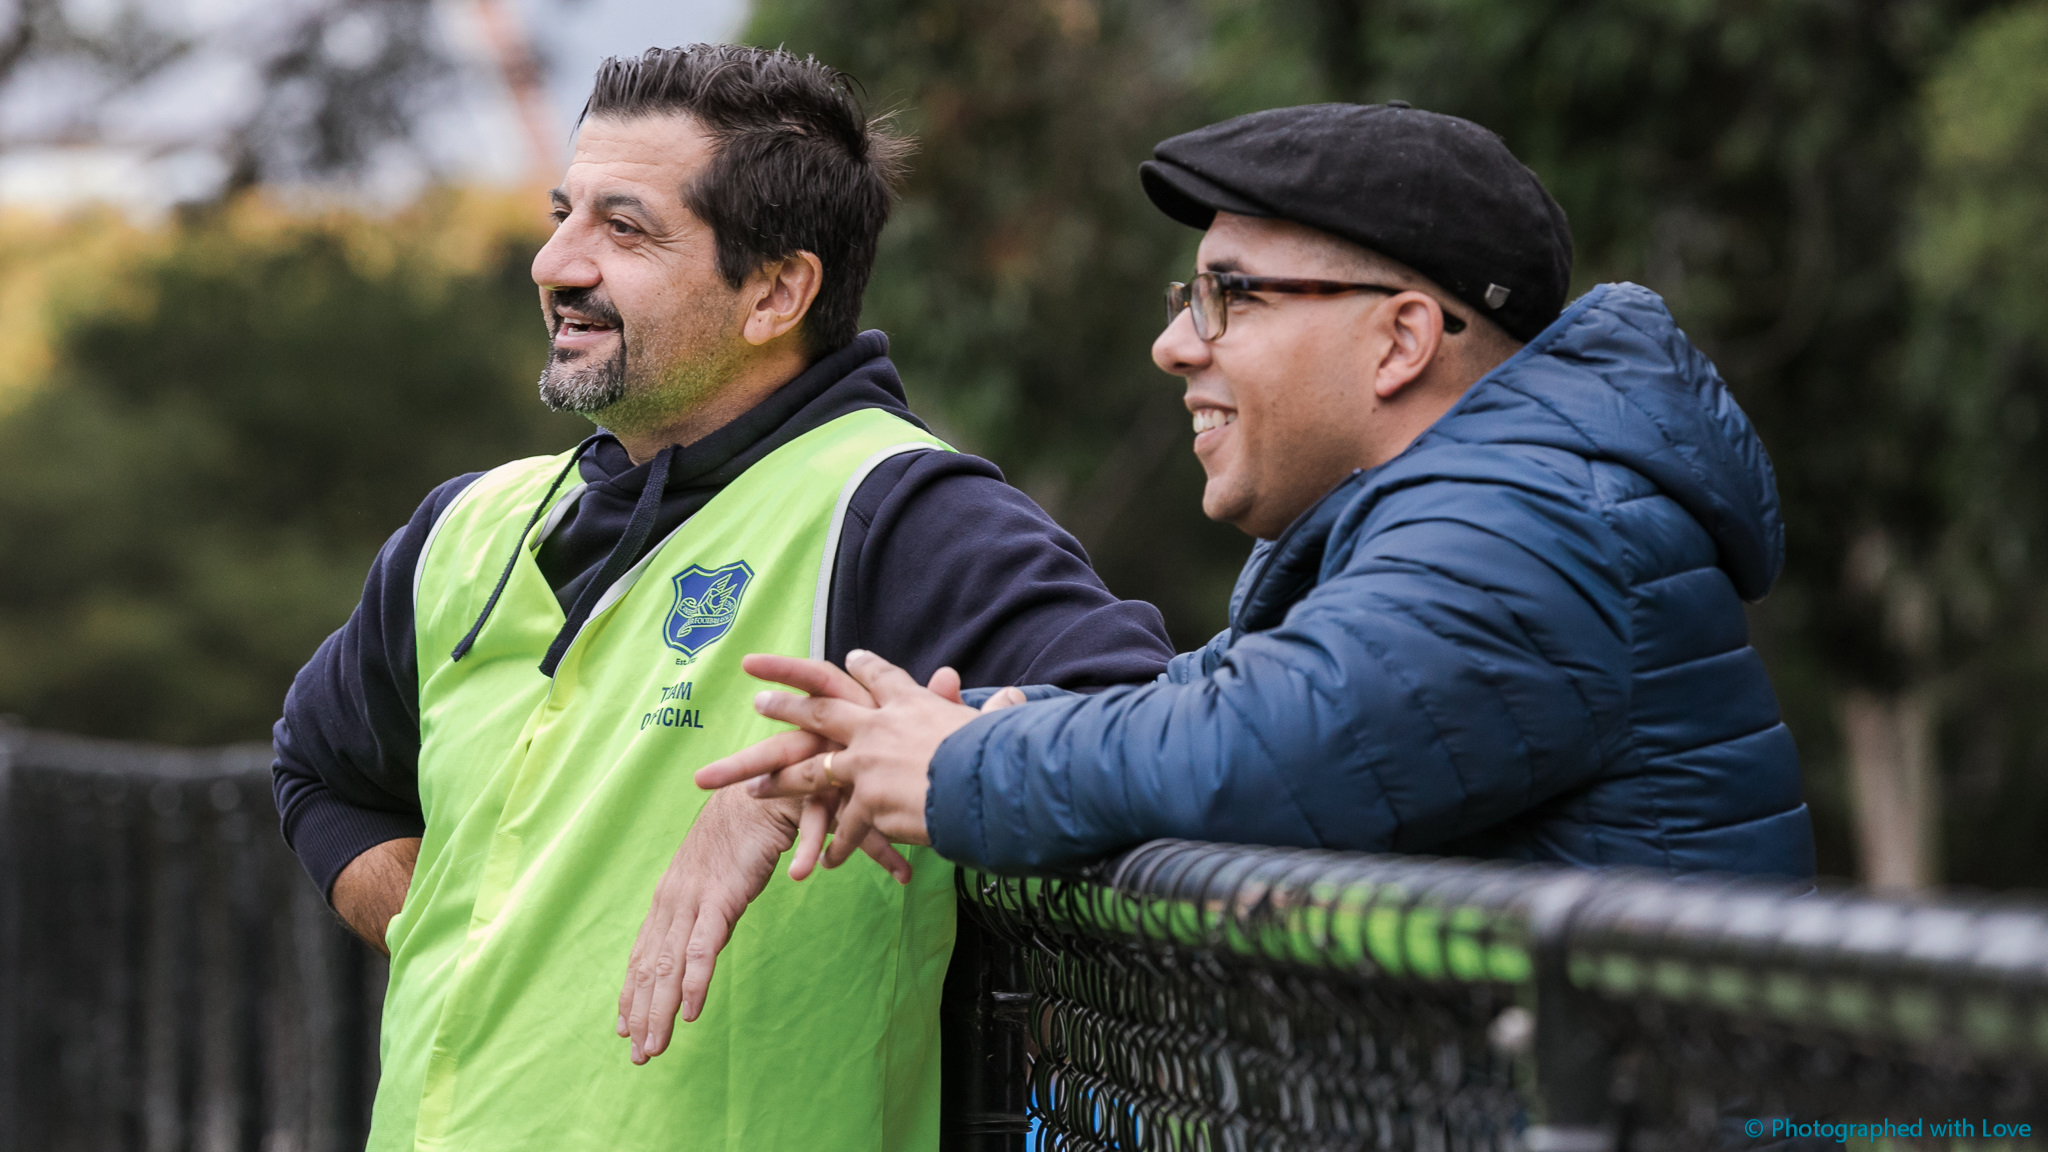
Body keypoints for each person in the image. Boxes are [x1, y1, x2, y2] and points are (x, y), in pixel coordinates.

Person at [268, 45, 1170, 1152]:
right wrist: (463, 944)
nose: (555, 262)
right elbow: (320, 772)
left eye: (624, 229)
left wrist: (818, 774)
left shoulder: (896, 512)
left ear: (777, 292)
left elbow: (1147, 722)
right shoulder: (466, 526)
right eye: (564, 215)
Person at [695, 102, 1817, 887]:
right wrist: (947, 729)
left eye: (1231, 297)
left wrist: (952, 766)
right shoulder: (1485, 509)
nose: (1173, 343)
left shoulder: (1535, 522)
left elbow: (1270, 745)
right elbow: (1221, 698)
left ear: (1401, 340)